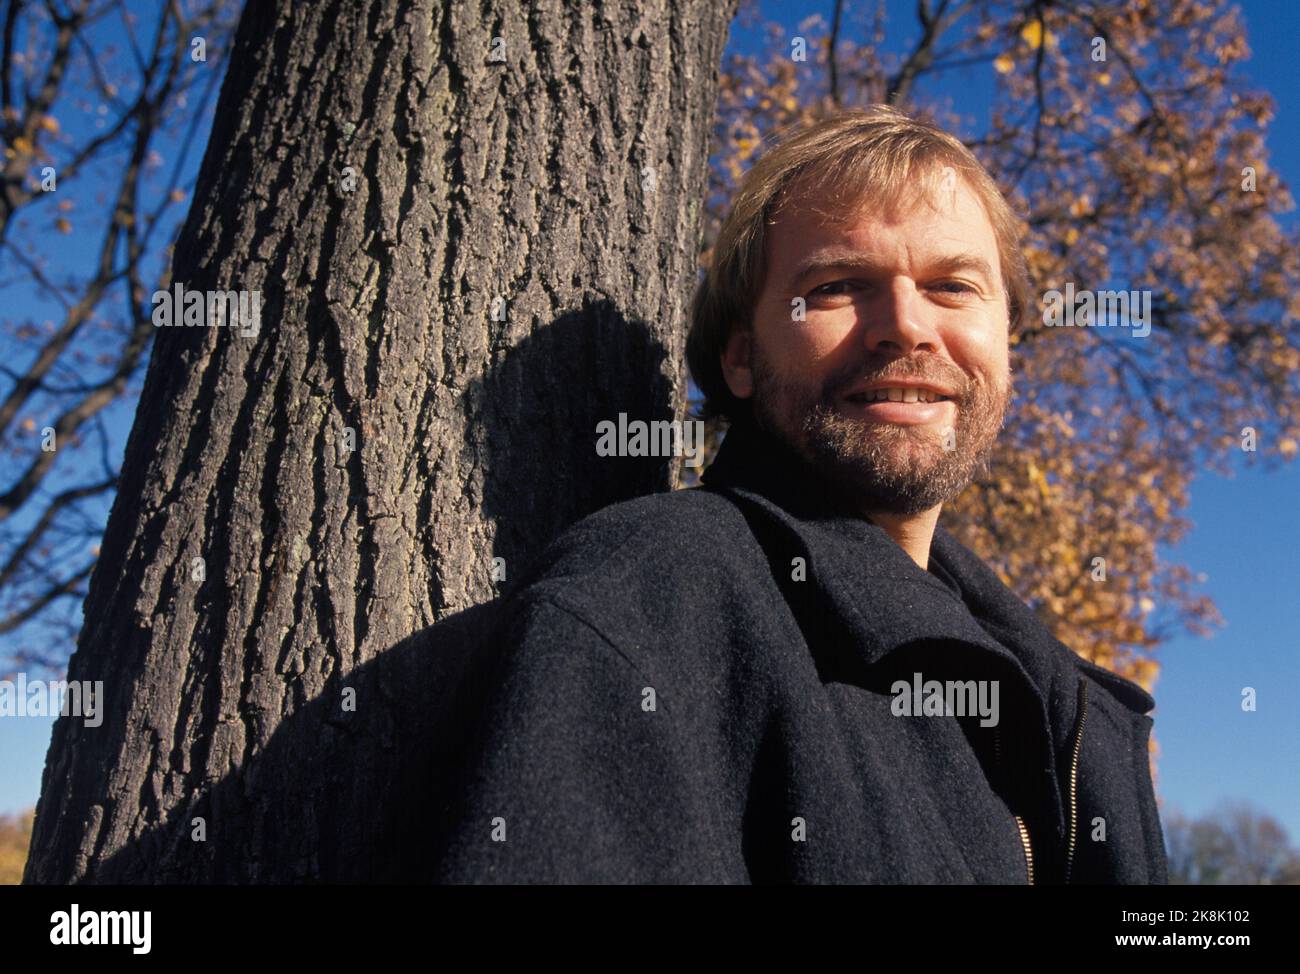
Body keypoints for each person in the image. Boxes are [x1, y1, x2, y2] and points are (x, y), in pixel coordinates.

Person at [429, 105, 1168, 884]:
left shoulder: (1083, 712)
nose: (906, 328)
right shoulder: (665, 592)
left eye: (953, 286)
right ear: (743, 359)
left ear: (1006, 341)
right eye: (840, 285)